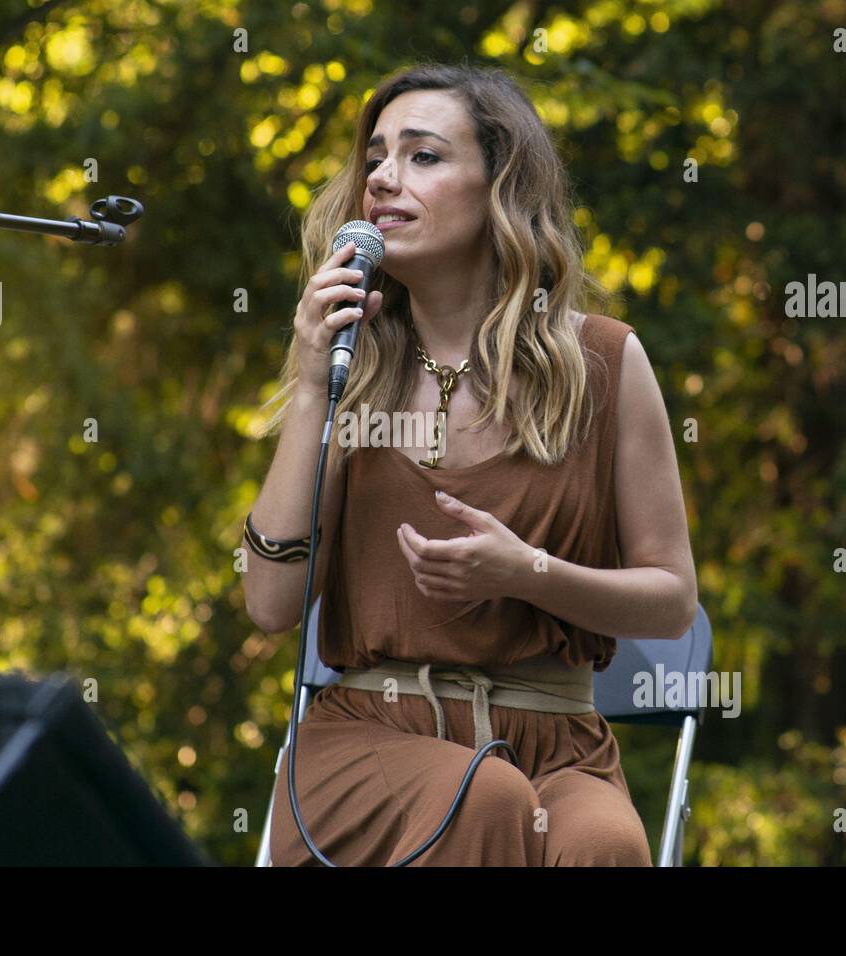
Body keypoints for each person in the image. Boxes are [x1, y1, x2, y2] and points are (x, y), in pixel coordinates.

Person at [242, 62, 697, 866]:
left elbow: (670, 603)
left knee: (604, 843)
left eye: (422, 156)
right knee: (482, 800)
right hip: (369, 739)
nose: (383, 177)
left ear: (502, 187)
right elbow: (273, 604)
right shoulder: (351, 369)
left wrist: (527, 573)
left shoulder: (604, 363)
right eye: (375, 158)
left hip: (555, 745)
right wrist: (313, 388)